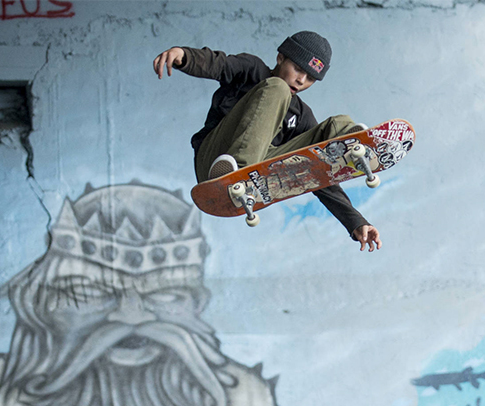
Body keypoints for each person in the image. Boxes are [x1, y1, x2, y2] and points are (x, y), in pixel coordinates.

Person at [153, 31, 381, 252]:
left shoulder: (301, 116)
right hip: (214, 162)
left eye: (310, 78)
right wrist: (183, 56)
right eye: (298, 69)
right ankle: (238, 170)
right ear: (280, 57)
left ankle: (354, 148)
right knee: (278, 88)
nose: (301, 80)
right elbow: (218, 64)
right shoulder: (251, 70)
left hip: (256, 174)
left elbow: (320, 174)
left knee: (333, 127)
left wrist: (356, 222)